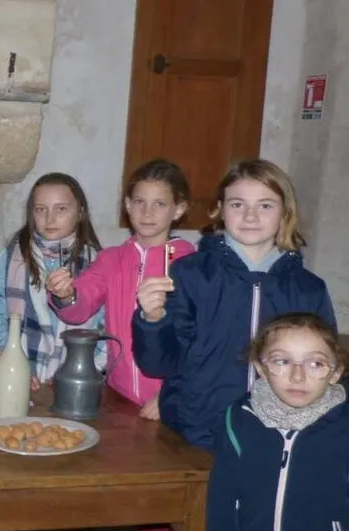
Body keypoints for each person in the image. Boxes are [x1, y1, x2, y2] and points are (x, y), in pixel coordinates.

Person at [46, 159, 195, 531]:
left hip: (170, 400)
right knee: (144, 495)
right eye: (140, 202)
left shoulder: (191, 264)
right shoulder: (113, 259)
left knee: (186, 498)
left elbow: (199, 341)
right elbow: (80, 307)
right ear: (127, 205)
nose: (148, 213)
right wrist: (65, 291)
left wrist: (170, 396)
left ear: (179, 210)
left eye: (160, 204)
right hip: (121, 398)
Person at [133, 158, 336, 450]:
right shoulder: (189, 274)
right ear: (220, 210)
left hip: (281, 437)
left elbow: (325, 370)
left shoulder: (309, 289)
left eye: (265, 205)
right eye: (238, 204)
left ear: (285, 212)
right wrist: (152, 320)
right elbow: (158, 364)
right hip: (198, 433)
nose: (250, 216)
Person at [207, 313, 349, 531]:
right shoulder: (238, 422)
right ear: (261, 366)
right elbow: (220, 515)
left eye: (316, 363)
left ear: (335, 372)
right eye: (282, 361)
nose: (298, 376)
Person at [0, 172, 106, 392]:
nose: (50, 219)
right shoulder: (12, 257)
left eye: (61, 209)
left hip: (77, 379)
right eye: (41, 209)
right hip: (22, 373)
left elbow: (106, 327)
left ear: (80, 212)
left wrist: (82, 370)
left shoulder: (99, 262)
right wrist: (14, 363)